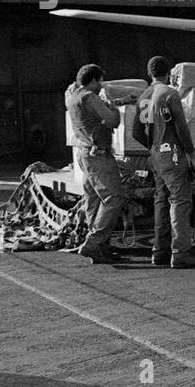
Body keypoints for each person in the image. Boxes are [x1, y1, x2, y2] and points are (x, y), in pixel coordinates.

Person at [133, 56, 195, 269]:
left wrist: (152, 146)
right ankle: (180, 252)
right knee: (180, 200)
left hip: (155, 155)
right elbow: (181, 127)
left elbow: (136, 132)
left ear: (149, 74)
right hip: (173, 153)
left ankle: (159, 251)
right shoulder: (170, 94)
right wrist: (190, 152)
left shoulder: (144, 96)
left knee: (161, 200)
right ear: (168, 73)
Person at [66, 64, 127, 263]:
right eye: (100, 81)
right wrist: (115, 107)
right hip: (99, 156)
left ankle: (100, 246)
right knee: (114, 198)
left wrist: (114, 102)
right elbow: (112, 120)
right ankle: (94, 243)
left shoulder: (73, 97)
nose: (101, 85)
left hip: (84, 154)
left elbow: (93, 115)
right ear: (92, 80)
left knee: (93, 199)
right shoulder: (89, 97)